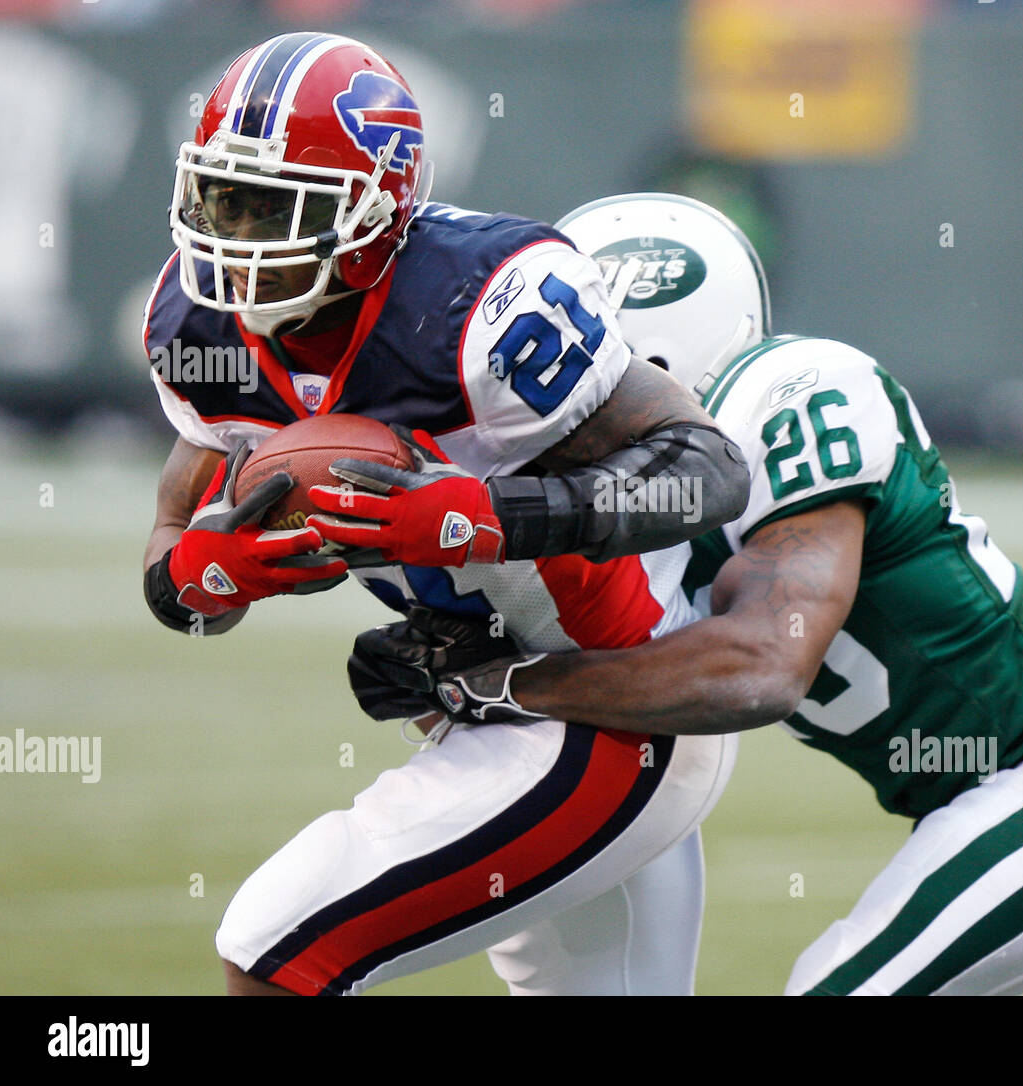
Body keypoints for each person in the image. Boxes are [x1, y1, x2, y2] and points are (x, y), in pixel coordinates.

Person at [352, 192, 1023, 996]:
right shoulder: (641, 497)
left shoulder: (789, 391)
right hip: (1003, 805)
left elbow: (763, 666)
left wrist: (508, 683)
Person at [142, 35, 750, 995]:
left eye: (275, 209)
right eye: (224, 199)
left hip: (612, 704)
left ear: (376, 208)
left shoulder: (480, 311)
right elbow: (177, 571)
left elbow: (710, 471)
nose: (239, 242)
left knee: (275, 942)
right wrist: (202, 578)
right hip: (481, 696)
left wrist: (495, 515)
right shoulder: (201, 329)